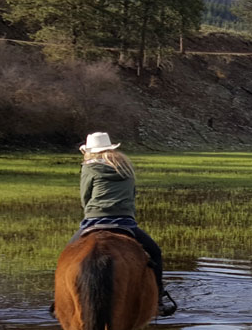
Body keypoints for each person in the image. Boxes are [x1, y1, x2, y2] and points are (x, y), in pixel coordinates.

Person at [71, 132, 177, 317]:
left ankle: (59, 302)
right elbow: (132, 194)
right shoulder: (126, 168)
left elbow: (85, 198)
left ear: (89, 151)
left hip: (94, 219)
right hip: (124, 221)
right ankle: (159, 299)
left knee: (68, 254)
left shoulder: (89, 168)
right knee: (155, 253)